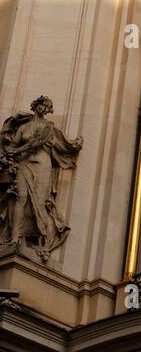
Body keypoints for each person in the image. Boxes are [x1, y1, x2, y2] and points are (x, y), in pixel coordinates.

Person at [0, 97, 83, 263]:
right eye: (43, 105)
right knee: (20, 198)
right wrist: (7, 155)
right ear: (36, 106)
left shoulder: (48, 128)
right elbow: (12, 146)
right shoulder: (23, 127)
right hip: (24, 165)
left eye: (48, 107)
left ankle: (40, 240)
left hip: (42, 165)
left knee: (40, 202)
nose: (45, 109)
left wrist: (74, 144)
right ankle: (15, 237)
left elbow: (43, 144)